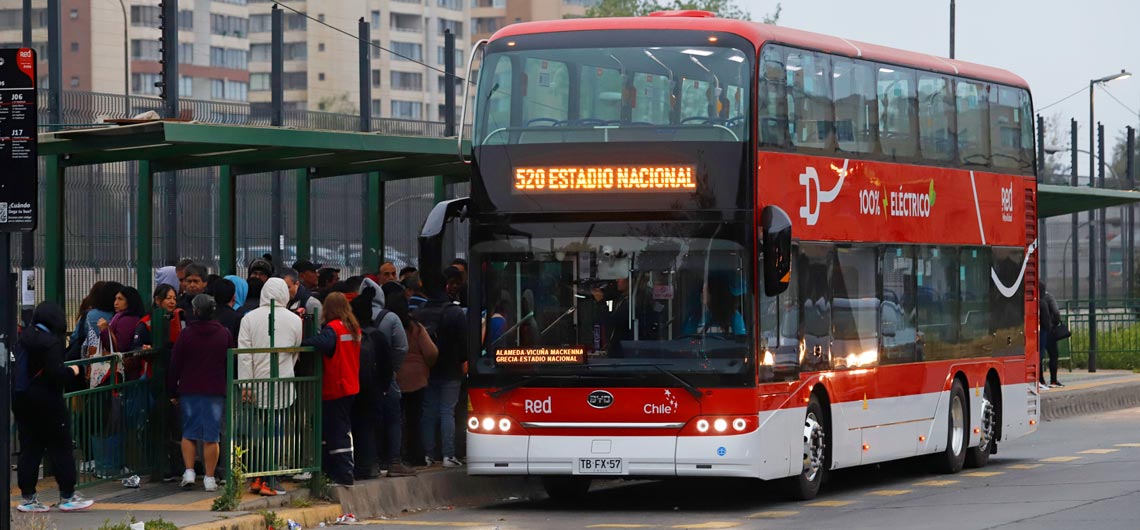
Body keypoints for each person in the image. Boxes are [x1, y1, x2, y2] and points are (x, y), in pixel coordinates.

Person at [14, 302, 95, 513]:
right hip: (47, 402)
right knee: (61, 447)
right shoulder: (51, 343)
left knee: (30, 448)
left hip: (22, 400)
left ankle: (28, 497)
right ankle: (67, 495)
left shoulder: (24, 337)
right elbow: (55, 374)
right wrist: (74, 371)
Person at [237, 278, 303, 496]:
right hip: (282, 384)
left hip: (254, 384)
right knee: (276, 433)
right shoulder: (294, 320)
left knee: (258, 434)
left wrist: (246, 385)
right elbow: (294, 352)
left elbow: (244, 357)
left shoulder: (249, 319)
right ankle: (270, 479)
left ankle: (258, 476)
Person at [168, 295, 233, 491]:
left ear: (195, 311)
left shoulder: (186, 334)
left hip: (189, 388)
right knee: (211, 435)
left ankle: (189, 472)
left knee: (189, 432)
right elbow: (230, 362)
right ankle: (210, 477)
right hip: (214, 389)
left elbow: (175, 363)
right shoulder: (224, 334)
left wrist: (172, 390)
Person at [302, 293, 362, 486]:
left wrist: (302, 342)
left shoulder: (332, 329)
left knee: (337, 433)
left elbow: (322, 344)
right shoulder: (352, 327)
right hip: (350, 385)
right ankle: (337, 472)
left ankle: (343, 475)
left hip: (335, 386)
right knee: (340, 430)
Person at [419, 266, 467, 467]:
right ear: (446, 286)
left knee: (429, 410)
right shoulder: (455, 313)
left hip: (428, 368)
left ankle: (428, 455)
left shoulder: (420, 312)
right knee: (448, 410)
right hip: (451, 369)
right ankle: (448, 455)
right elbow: (464, 344)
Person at [396, 282, 437, 469]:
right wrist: (425, 366)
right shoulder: (416, 327)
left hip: (396, 378)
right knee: (415, 419)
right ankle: (417, 455)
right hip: (418, 379)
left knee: (396, 419)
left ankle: (397, 454)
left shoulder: (388, 324)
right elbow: (431, 352)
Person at [1039, 282, 1064, 388]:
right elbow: (1056, 312)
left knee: (1039, 357)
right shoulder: (1048, 298)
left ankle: (1041, 380)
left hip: (1037, 331)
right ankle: (1053, 380)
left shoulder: (1034, 300)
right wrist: (1055, 323)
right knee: (1053, 355)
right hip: (1049, 330)